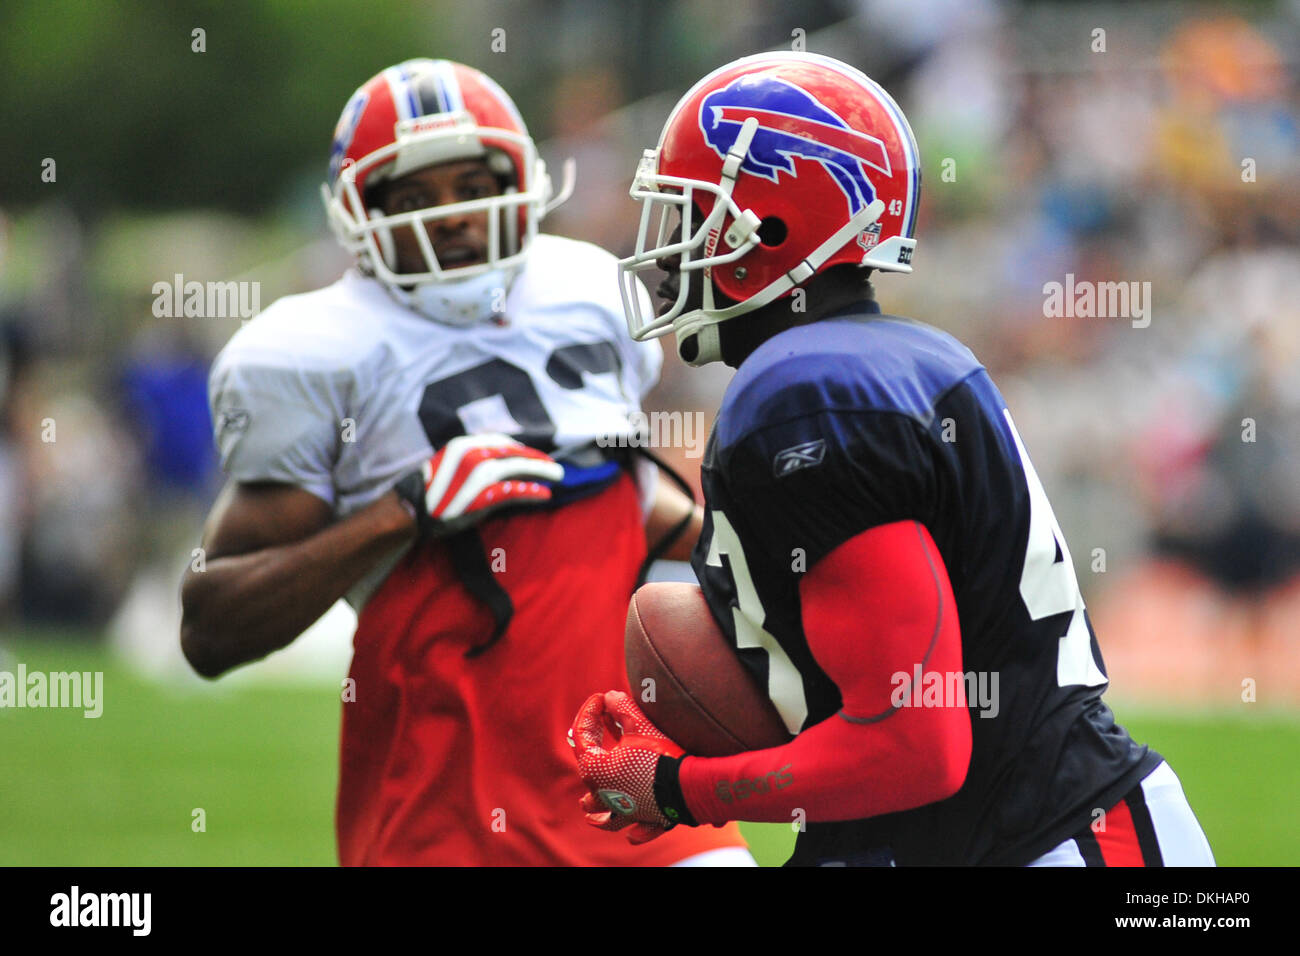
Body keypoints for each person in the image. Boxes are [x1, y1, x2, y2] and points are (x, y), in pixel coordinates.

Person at [570, 51, 1216, 867]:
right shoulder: (884, 357)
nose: (666, 252)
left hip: (1038, 838)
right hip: (976, 829)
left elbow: (912, 746)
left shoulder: (805, 392)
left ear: (765, 229)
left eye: (693, 213)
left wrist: (677, 786)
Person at [180, 58, 750, 866]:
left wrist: (737, 549)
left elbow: (616, 496)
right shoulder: (311, 352)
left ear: (523, 181)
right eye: (412, 198)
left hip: (626, 765)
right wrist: (402, 510)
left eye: (469, 186)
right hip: (448, 800)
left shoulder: (589, 289)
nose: (449, 217)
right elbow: (210, 630)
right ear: (358, 213)